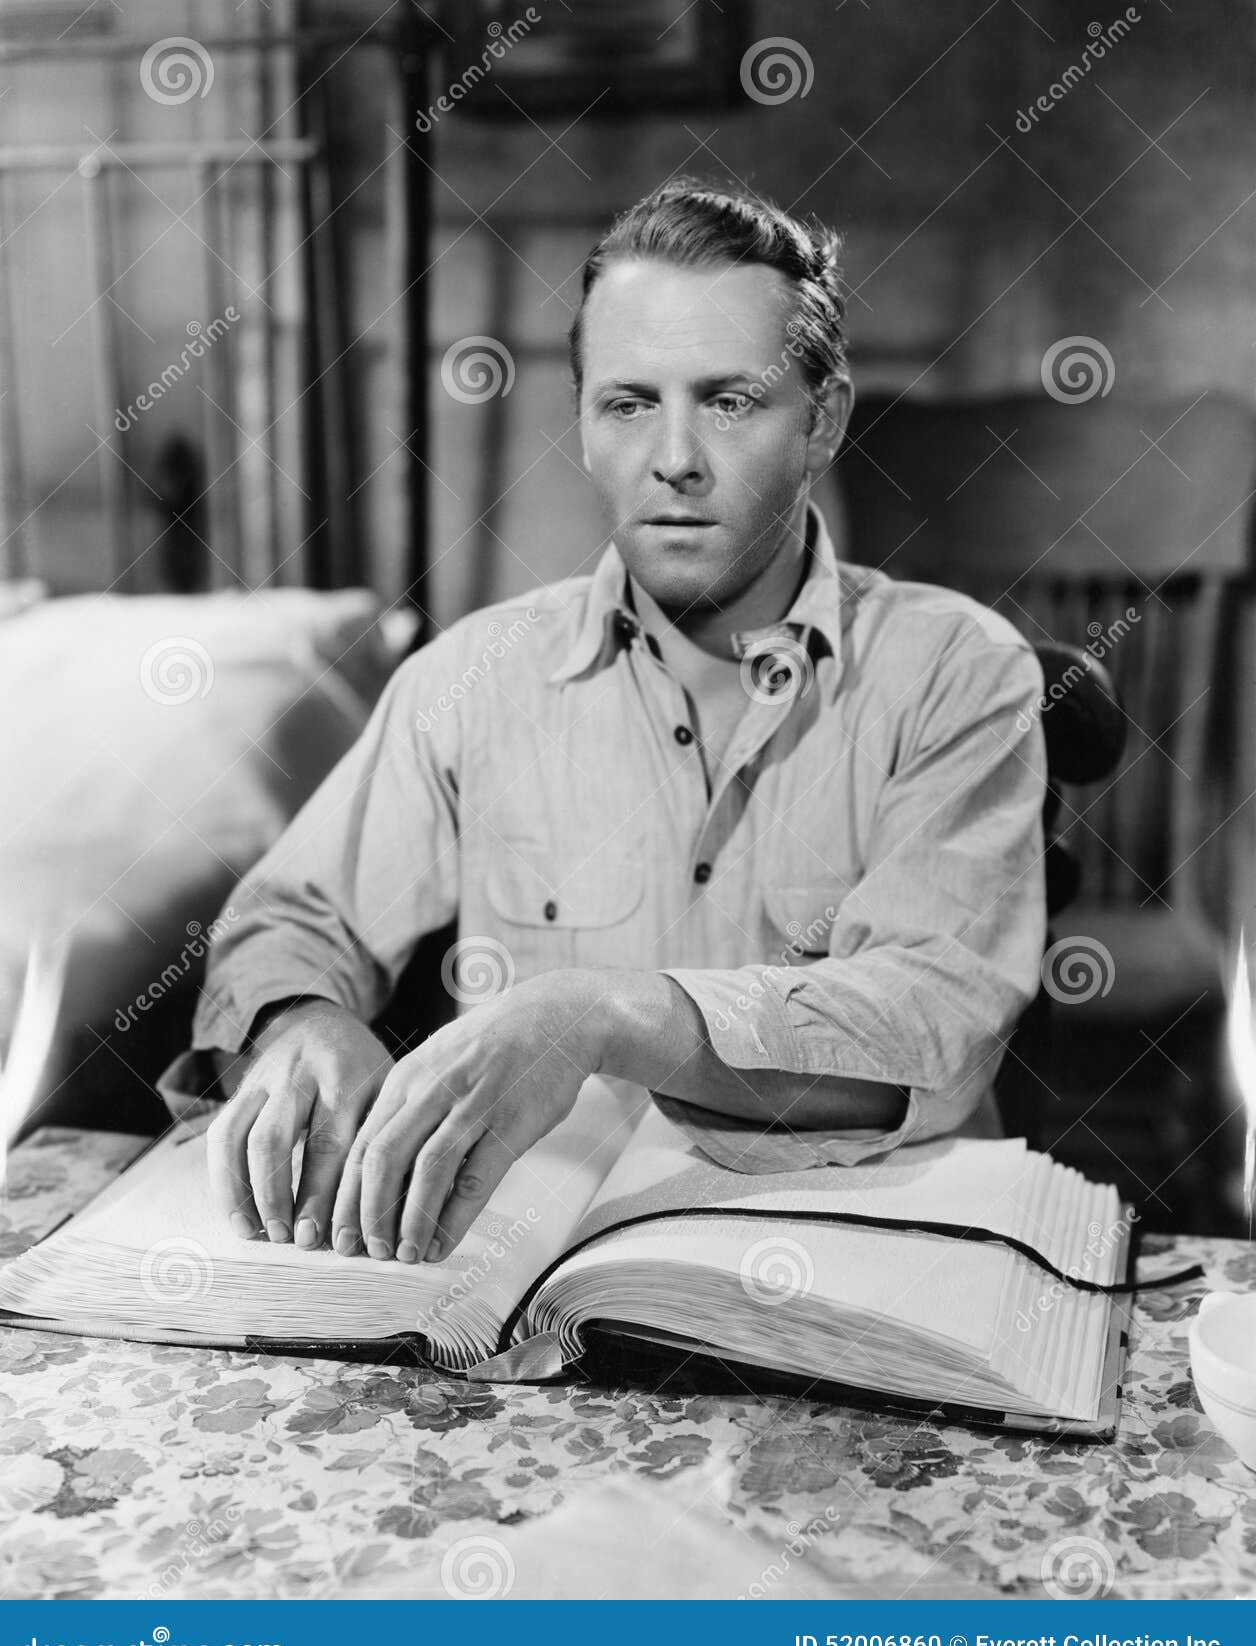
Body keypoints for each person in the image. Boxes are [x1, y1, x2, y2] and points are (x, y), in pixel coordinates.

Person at [158, 177, 1046, 1270]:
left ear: (821, 418)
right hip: (547, 1288)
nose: (672, 457)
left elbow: (933, 1020)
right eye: (628, 403)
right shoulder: (472, 680)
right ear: (582, 423)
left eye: (728, 400)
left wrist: (602, 1015)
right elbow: (289, 918)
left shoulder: (958, 671)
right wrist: (297, 1020)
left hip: (876, 1275)